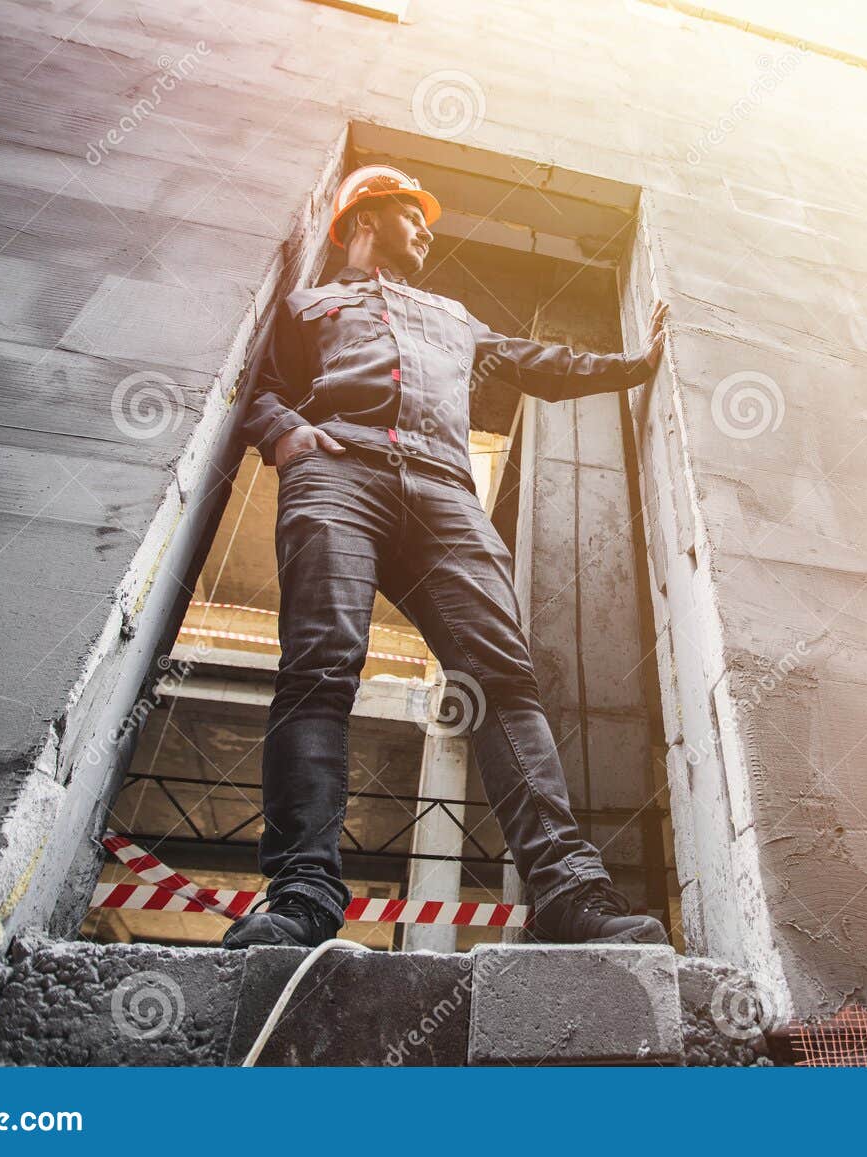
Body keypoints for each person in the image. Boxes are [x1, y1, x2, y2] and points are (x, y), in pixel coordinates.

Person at [225, 164, 670, 949]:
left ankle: (567, 891)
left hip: (444, 490)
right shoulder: (305, 303)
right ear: (365, 216)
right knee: (321, 665)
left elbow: (540, 362)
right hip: (339, 470)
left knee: (504, 677)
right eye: (412, 213)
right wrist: (287, 434)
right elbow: (258, 387)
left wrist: (634, 364)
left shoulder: (454, 317)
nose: (428, 228)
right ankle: (302, 895)